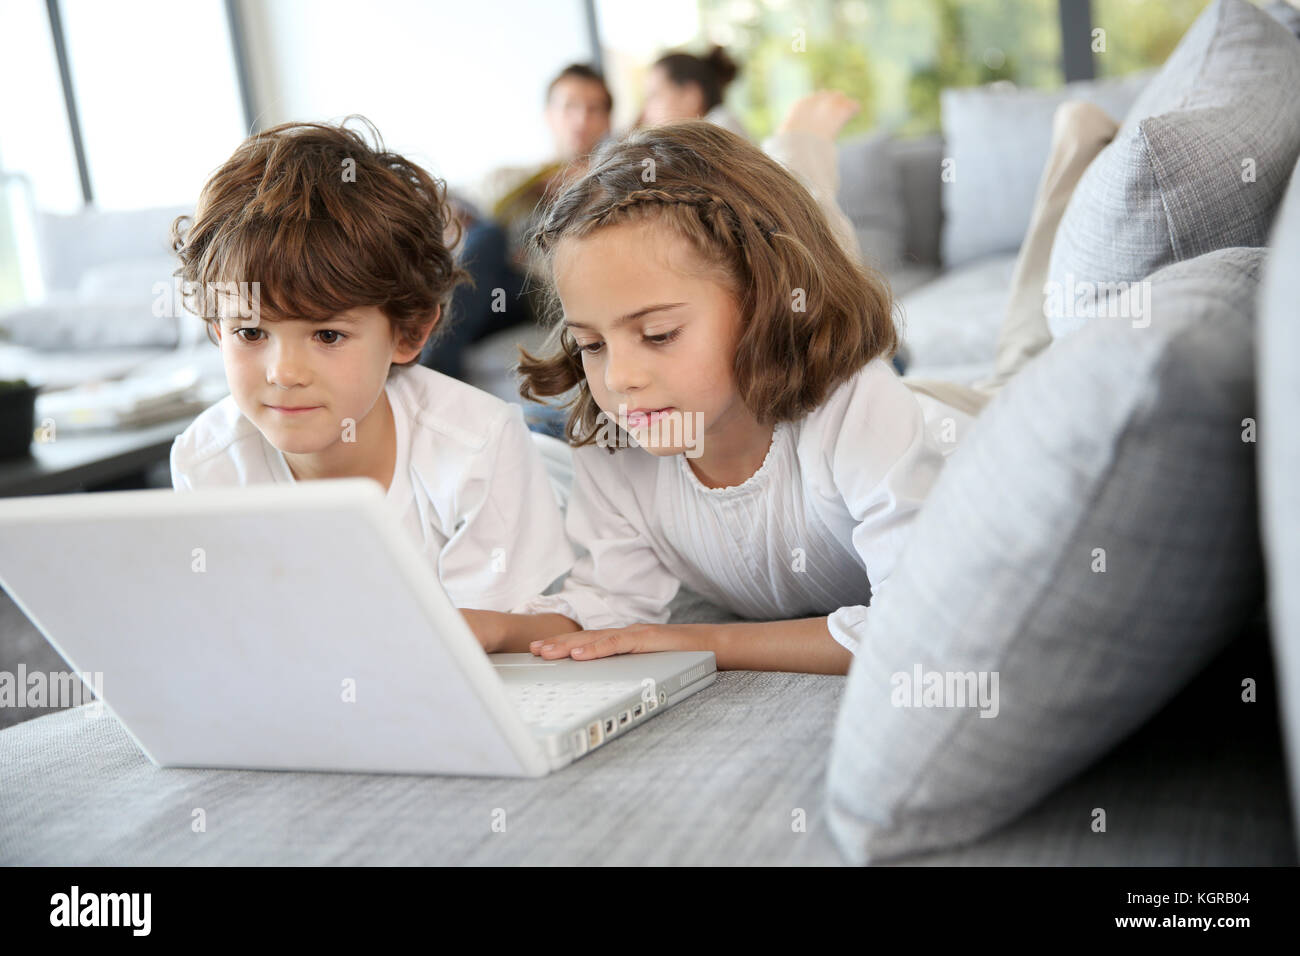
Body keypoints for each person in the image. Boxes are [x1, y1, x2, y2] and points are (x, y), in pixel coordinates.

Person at [461, 114, 962, 674]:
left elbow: (922, 624)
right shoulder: (617, 445)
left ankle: (801, 149)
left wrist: (702, 642)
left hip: (967, 418)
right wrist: (491, 627)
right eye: (592, 344)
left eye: (658, 335)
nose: (619, 377)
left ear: (764, 305)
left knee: (1034, 340)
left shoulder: (855, 409)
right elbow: (609, 605)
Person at [168, 118, 575, 620]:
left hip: (554, 472)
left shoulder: (479, 451)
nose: (284, 373)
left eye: (327, 336)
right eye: (251, 333)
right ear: (215, 326)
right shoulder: (205, 458)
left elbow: (507, 638)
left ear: (408, 333)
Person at [422, 64, 614, 382]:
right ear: (549, 115)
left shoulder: (612, 182)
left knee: (488, 238)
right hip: (496, 288)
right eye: (570, 107)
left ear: (606, 120)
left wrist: (587, 188)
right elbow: (458, 204)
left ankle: (433, 368)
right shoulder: (516, 177)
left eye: (593, 109)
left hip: (543, 291)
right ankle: (431, 359)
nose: (581, 119)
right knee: (485, 237)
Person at [641, 45, 749, 139]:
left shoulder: (715, 137)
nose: (646, 112)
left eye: (654, 96)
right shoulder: (721, 124)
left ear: (690, 96)